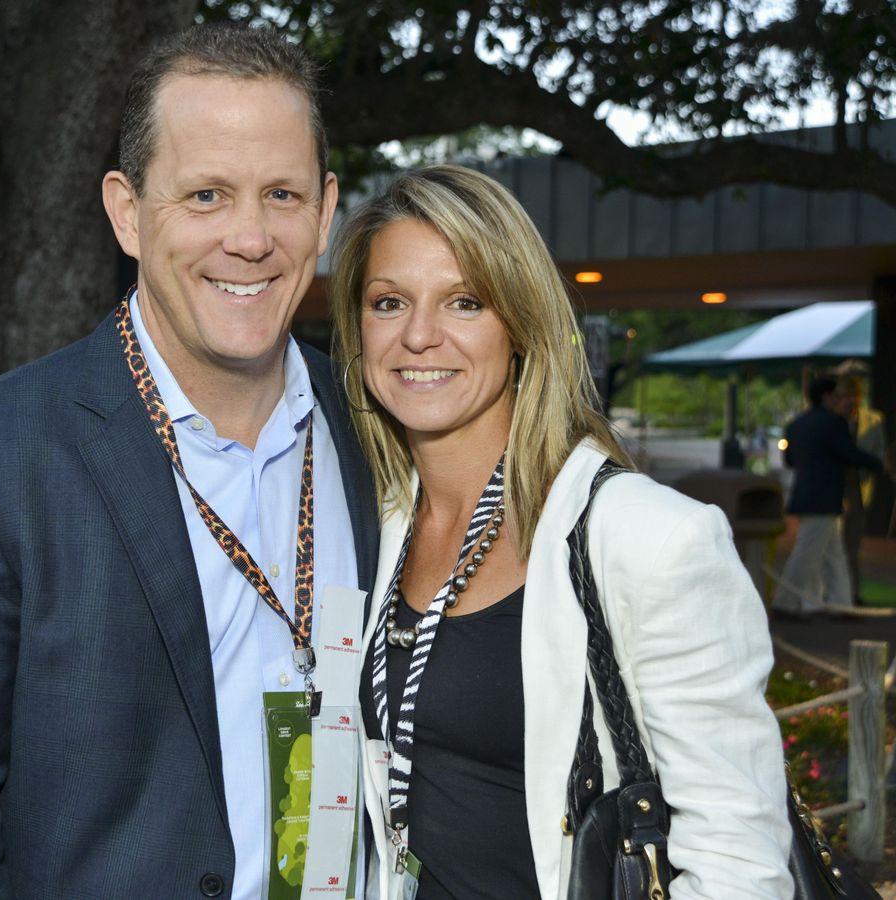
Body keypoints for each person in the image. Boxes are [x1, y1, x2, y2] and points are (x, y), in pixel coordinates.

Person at [0, 24, 378, 899]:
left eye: (282, 194)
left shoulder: (380, 432)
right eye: (206, 195)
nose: (250, 238)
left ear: (325, 213)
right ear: (128, 212)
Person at [328, 166, 793, 899]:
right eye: (389, 302)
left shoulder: (649, 539)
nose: (418, 335)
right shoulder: (366, 523)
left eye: (464, 302)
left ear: (520, 325)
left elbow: (740, 866)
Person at [772, 375, 885, 615]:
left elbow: (789, 460)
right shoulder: (833, 423)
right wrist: (881, 465)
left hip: (806, 494)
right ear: (827, 397)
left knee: (834, 555)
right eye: (836, 396)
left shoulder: (797, 423)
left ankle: (842, 604)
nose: (840, 400)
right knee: (807, 553)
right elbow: (849, 453)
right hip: (824, 498)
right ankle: (785, 602)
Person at [833, 370, 889, 600]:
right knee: (834, 545)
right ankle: (838, 593)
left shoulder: (874, 420)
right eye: (845, 396)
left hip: (860, 490)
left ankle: (852, 592)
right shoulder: (832, 420)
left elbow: (879, 454)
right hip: (835, 488)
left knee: (852, 546)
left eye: (853, 396)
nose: (850, 401)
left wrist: (872, 464)